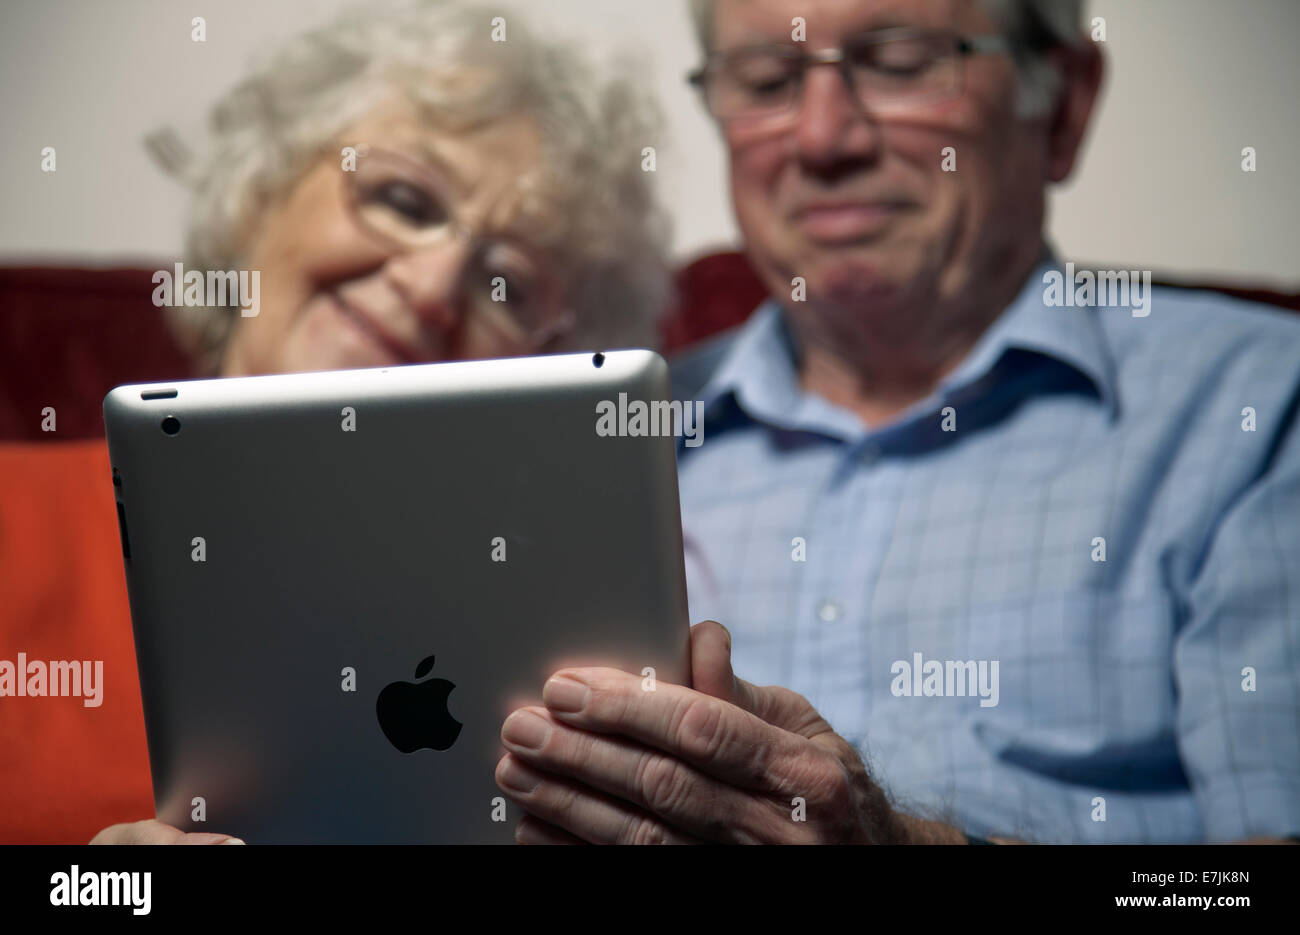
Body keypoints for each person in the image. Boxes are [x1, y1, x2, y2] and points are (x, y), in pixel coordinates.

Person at [489, 0, 1300, 844]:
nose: (822, 138)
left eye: (901, 64)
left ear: (1063, 104)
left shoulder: (1260, 403)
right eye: (768, 79)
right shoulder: (610, 432)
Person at [1, 0, 669, 844]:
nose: (430, 288)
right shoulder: (13, 516)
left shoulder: (563, 629)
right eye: (403, 198)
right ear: (258, 194)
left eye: (509, 281)